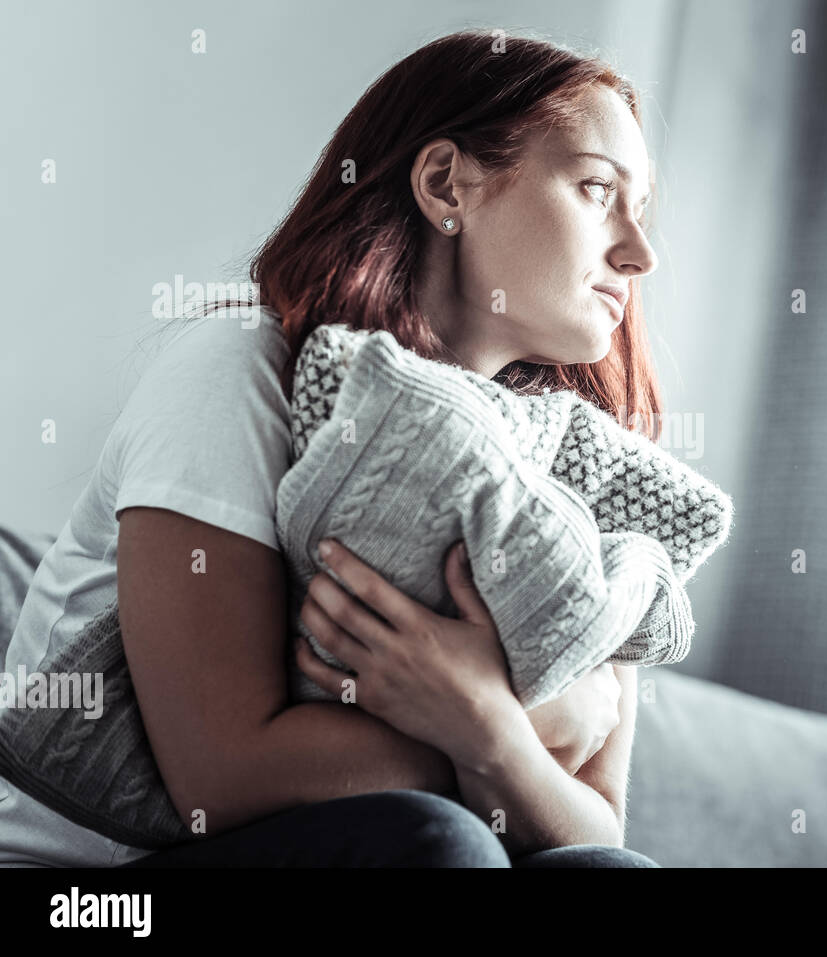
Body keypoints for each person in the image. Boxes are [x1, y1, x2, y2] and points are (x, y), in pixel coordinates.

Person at [0, 28, 665, 868]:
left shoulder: (587, 473)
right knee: (437, 841)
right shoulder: (241, 372)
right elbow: (219, 778)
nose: (639, 253)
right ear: (444, 183)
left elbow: (599, 825)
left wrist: (492, 729)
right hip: (93, 887)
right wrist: (510, 728)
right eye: (598, 189)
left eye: (644, 210)